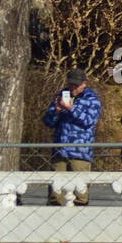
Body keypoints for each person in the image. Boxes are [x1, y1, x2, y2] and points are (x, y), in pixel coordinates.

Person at [43, 68, 101, 205]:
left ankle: (81, 219)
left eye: (76, 85)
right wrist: (56, 111)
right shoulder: (61, 96)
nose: (73, 88)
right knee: (56, 193)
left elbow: (89, 121)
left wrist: (71, 109)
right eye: (71, 84)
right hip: (60, 150)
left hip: (80, 152)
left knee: (80, 192)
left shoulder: (92, 99)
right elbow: (48, 122)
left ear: (84, 84)